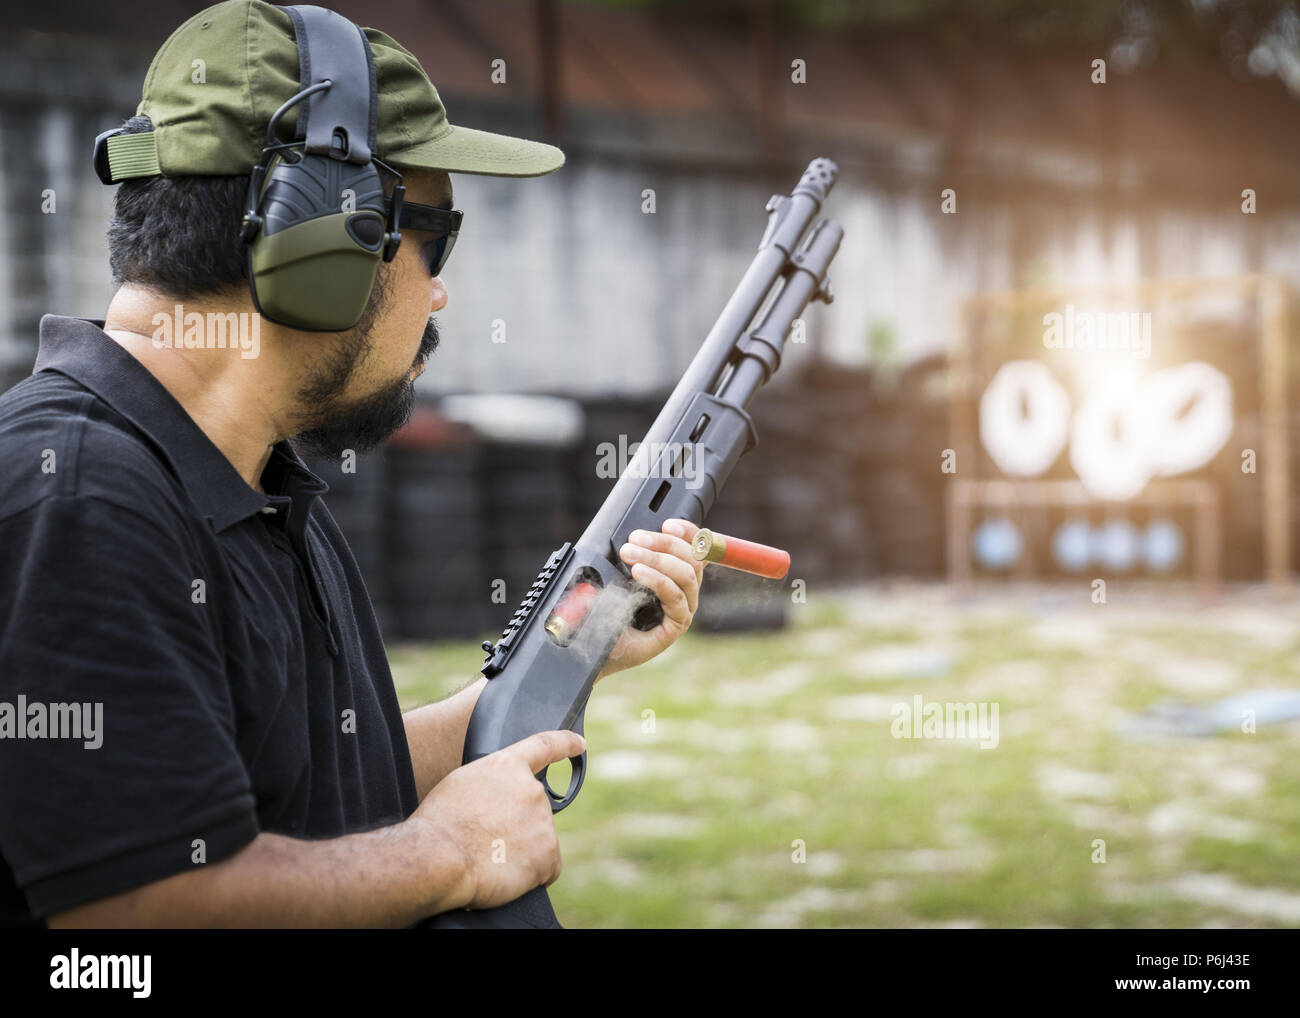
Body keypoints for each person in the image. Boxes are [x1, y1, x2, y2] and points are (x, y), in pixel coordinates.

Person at [0, 0, 704, 929]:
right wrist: (444, 855)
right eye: (435, 239)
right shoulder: (82, 494)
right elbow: (136, 910)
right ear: (319, 238)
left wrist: (574, 651)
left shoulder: (251, 476)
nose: (443, 287)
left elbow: (323, 784)